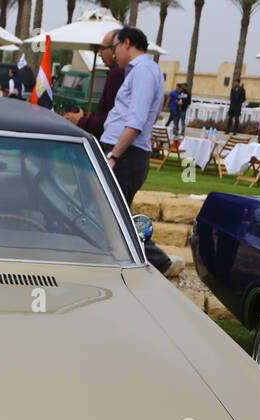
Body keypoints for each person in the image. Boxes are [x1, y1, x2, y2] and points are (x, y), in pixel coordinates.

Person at [100, 27, 183, 278]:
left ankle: (158, 261)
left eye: (114, 48)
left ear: (127, 43)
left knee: (113, 215)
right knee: (111, 214)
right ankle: (149, 260)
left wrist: (114, 156)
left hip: (126, 153)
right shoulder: (139, 71)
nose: (113, 55)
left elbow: (135, 121)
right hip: (125, 152)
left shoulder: (144, 71)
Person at [63, 29, 123, 139]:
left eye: (103, 49)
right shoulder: (120, 73)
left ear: (116, 48)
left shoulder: (117, 74)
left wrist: (82, 121)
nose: (99, 53)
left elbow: (112, 118)